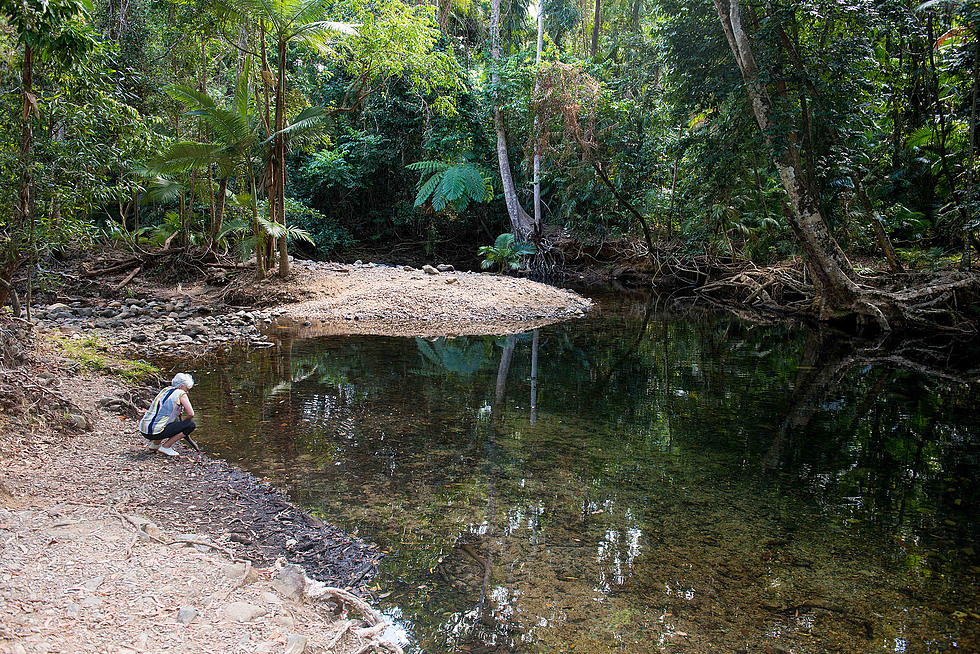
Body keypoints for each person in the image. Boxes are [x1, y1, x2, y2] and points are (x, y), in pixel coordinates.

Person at [140, 373, 196, 457]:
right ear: (181, 386)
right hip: (154, 433)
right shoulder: (181, 393)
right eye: (187, 389)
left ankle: (155, 444)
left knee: (169, 419)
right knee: (191, 425)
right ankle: (166, 447)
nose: (187, 392)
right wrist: (185, 424)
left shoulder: (166, 390)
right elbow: (191, 414)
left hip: (144, 429)